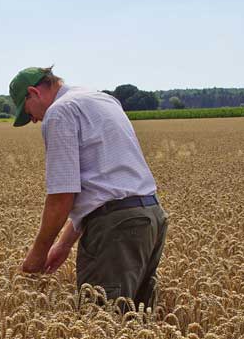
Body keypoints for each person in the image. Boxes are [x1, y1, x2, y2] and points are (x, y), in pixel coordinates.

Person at [9, 66, 169, 310]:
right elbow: (101, 188)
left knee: (100, 327)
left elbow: (63, 195)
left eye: (26, 111)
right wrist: (63, 245)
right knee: (138, 325)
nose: (32, 119)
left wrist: (38, 254)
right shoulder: (102, 99)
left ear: (33, 93)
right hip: (149, 217)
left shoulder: (59, 113)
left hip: (116, 231)